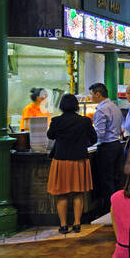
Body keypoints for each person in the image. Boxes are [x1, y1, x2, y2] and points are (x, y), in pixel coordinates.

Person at [46, 93, 96, 234]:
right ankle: (77, 224)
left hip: (61, 161)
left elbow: (50, 135)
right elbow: (94, 138)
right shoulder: (85, 121)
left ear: (61, 106)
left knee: (61, 194)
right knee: (78, 193)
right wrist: (83, 144)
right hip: (79, 160)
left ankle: (63, 225)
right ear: (76, 106)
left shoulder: (56, 121)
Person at [88, 82, 125, 208]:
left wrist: (88, 141)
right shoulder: (115, 107)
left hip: (107, 148)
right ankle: (119, 206)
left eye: (92, 94)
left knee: (107, 180)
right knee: (116, 179)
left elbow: (99, 133)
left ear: (98, 94)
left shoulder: (101, 110)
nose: (91, 97)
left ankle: (110, 209)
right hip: (117, 145)